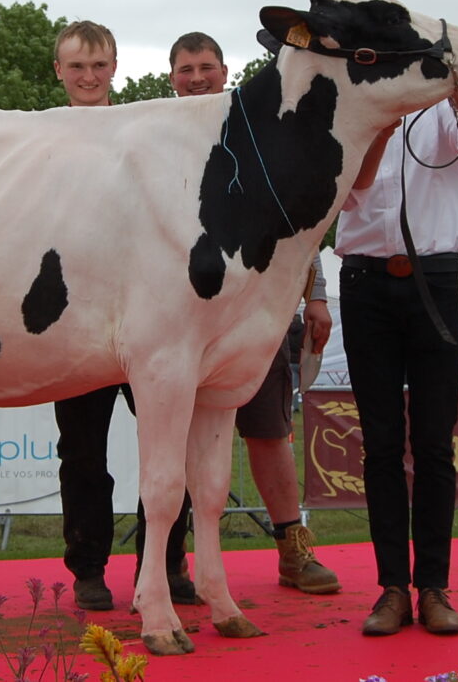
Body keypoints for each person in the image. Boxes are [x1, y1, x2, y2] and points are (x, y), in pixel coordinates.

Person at [167, 31, 340, 595]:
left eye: (206, 68)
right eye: (186, 69)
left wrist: (315, 292)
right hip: (169, 322)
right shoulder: (155, 138)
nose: (197, 78)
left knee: (268, 432)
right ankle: (173, 566)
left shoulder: (261, 131)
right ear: (171, 77)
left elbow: (300, 227)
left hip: (250, 313)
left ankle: (293, 548)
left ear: (224, 71)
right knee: (170, 443)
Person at [336, 84, 458, 637]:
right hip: (364, 279)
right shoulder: (354, 111)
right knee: (380, 444)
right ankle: (391, 589)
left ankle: (434, 585)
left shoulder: (444, 110)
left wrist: (457, 92)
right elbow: (353, 188)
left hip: (434, 275)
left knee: (433, 442)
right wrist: (380, 128)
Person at [49, 22, 192, 611]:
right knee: (82, 453)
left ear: (114, 69)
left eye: (98, 65)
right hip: (76, 325)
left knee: (169, 446)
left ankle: (165, 565)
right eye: (77, 66)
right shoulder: (40, 142)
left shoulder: (144, 135)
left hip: (152, 319)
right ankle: (88, 569)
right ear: (58, 71)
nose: (88, 77)